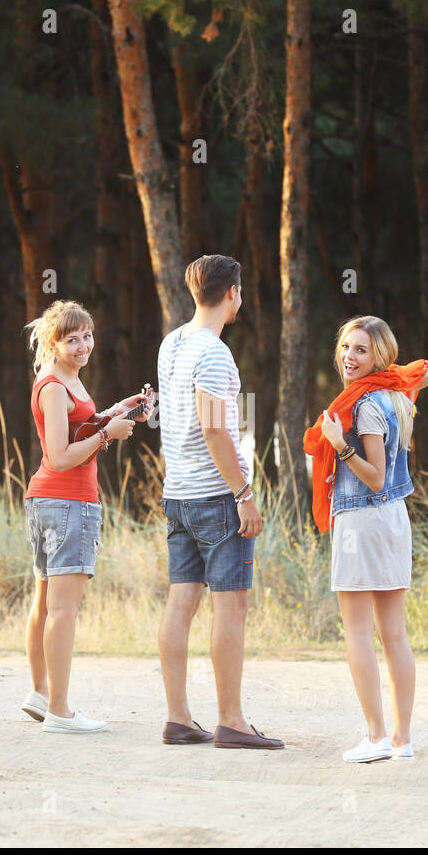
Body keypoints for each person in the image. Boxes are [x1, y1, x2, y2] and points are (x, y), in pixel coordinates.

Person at [156, 254, 282, 750]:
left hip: (178, 493)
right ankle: (231, 720)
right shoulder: (213, 353)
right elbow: (213, 427)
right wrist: (244, 495)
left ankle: (179, 717)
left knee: (181, 600)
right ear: (232, 292)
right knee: (231, 606)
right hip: (214, 495)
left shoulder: (172, 344)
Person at [304, 316, 428, 763]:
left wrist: (339, 445)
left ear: (379, 356)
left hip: (363, 520)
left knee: (358, 631)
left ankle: (377, 736)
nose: (348, 356)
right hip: (394, 521)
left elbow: (376, 478)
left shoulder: (363, 407)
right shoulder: (397, 398)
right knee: (394, 635)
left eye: (360, 349)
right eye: (345, 347)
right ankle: (402, 739)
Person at [20, 300, 151, 733]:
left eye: (87, 336)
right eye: (71, 339)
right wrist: (106, 437)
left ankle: (41, 694)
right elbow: (59, 457)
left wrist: (114, 413)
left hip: (53, 502)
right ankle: (59, 711)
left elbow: (80, 427)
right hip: (66, 501)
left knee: (45, 603)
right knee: (63, 610)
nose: (82, 345)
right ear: (53, 344)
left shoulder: (69, 382)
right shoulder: (55, 386)